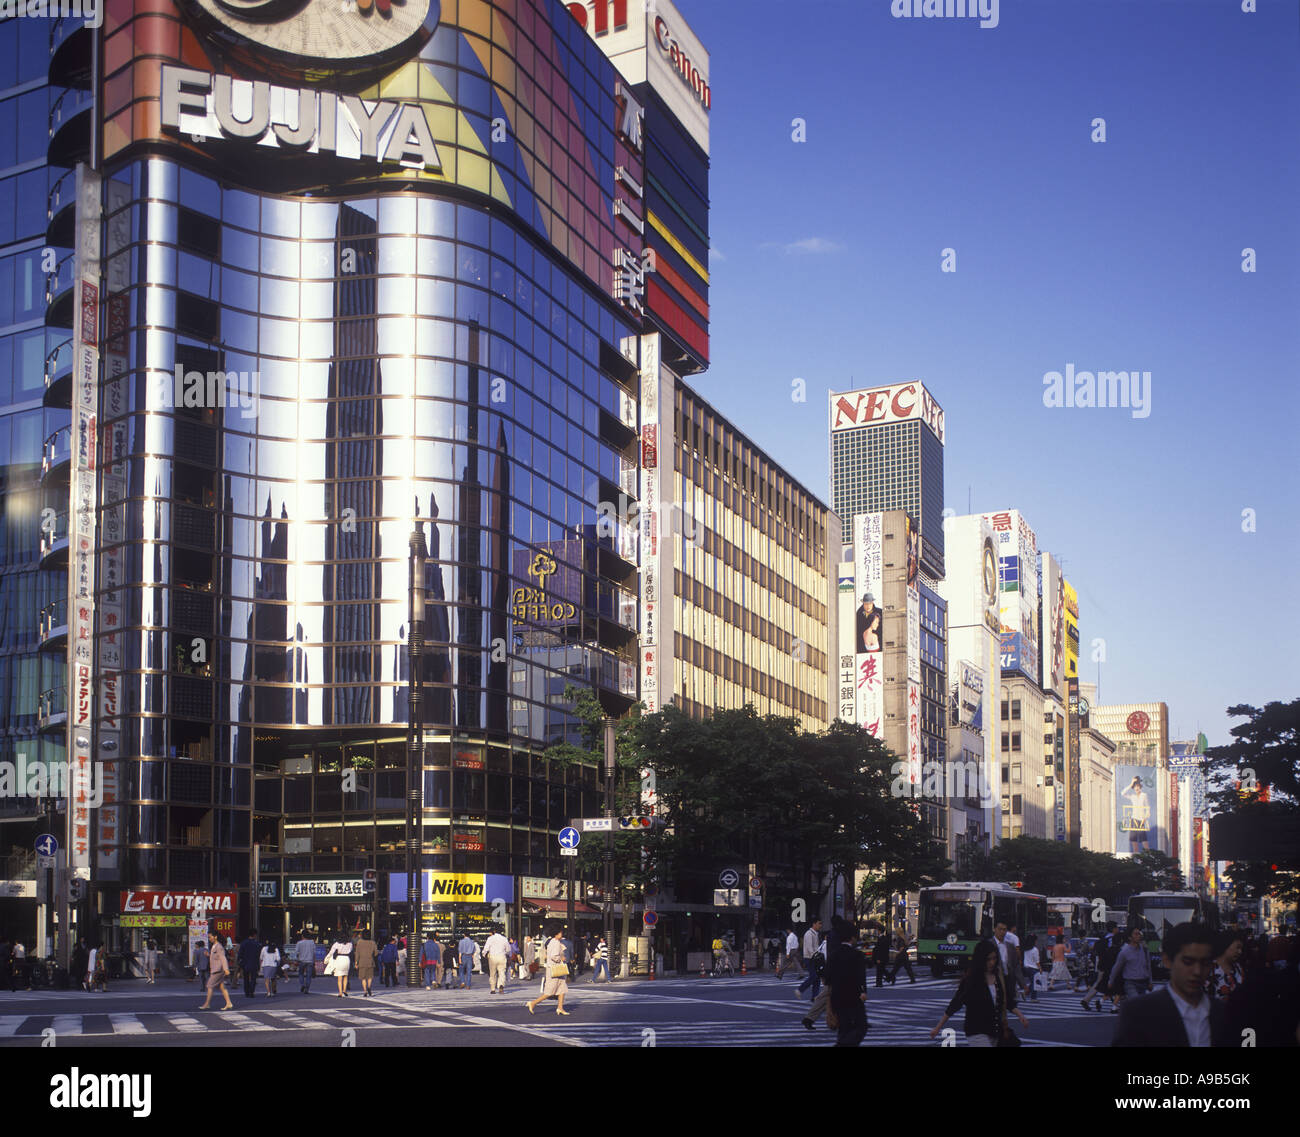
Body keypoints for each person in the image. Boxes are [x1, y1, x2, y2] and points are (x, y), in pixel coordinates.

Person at [1113, 923, 1228, 1047]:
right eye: (1188, 962)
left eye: (1205, 963)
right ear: (1167, 960)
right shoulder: (1138, 1013)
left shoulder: (1224, 1014)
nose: (1197, 971)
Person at [930, 939, 1029, 1047]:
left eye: (994, 958)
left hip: (995, 1030)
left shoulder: (998, 977)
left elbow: (1006, 1001)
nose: (992, 962)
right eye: (988, 959)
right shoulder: (972, 980)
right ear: (980, 959)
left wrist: (1020, 1015)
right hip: (976, 1030)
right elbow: (956, 1003)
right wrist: (938, 1027)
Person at [825, 925, 870, 1046]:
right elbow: (861, 977)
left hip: (837, 996)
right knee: (861, 1026)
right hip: (853, 997)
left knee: (844, 1027)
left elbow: (827, 978)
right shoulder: (857, 955)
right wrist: (863, 991)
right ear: (852, 938)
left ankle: (842, 1043)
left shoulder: (833, 954)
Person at [526, 924, 571, 1016]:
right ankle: (533, 1003)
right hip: (555, 969)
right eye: (560, 932)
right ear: (557, 933)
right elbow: (554, 956)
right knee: (550, 992)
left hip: (556, 969)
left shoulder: (552, 942)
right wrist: (561, 958)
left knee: (562, 989)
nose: (562, 933)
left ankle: (560, 1008)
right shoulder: (556, 943)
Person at [1109, 926, 1153, 1005]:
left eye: (1139, 934)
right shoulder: (1124, 952)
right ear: (1130, 937)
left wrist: (1150, 981)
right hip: (1131, 982)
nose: (1138, 936)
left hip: (1143, 982)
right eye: (1136, 934)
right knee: (1136, 1002)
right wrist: (1111, 981)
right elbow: (1116, 967)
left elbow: (1148, 966)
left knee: (1142, 1006)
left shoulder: (1145, 950)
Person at [199, 931, 233, 1011]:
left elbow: (222, 958)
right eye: (209, 937)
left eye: (210, 937)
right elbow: (216, 957)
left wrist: (226, 969)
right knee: (221, 987)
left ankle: (207, 1004)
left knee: (209, 985)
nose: (209, 939)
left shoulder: (219, 946)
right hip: (215, 969)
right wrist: (209, 955)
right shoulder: (214, 946)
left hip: (218, 970)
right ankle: (229, 1003)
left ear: (215, 937)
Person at [1209, 931, 1245, 1000]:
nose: (1240, 952)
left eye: (1241, 949)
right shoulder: (1209, 969)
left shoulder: (1238, 968)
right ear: (1226, 945)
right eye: (1237, 947)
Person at [797, 918, 824, 998]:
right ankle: (800, 990)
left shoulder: (815, 933)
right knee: (814, 976)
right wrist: (815, 955)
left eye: (821, 924)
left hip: (814, 958)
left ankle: (814, 996)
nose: (820, 925)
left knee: (817, 978)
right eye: (819, 923)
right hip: (809, 958)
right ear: (814, 924)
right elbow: (809, 948)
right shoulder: (809, 934)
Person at [325, 933, 353, 998]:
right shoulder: (350, 944)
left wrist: (327, 959)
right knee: (345, 976)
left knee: (339, 978)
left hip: (339, 959)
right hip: (346, 959)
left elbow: (331, 952)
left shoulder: (337, 944)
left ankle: (340, 992)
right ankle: (345, 990)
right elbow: (350, 951)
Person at [485, 925, 511, 994]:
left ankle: (493, 989)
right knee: (502, 972)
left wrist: (484, 954)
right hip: (502, 956)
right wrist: (508, 955)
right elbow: (508, 949)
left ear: (494, 931)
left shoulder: (490, 938)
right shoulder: (504, 939)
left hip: (492, 957)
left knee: (492, 973)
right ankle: (501, 985)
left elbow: (486, 948)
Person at [237, 930, 261, 999]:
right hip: (254, 963)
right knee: (253, 978)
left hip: (245, 963)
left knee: (246, 978)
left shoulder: (244, 943)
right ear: (254, 935)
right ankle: (251, 992)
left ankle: (246, 992)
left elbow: (240, 954)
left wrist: (240, 961)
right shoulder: (257, 944)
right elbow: (258, 954)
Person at [355, 930, 379, 997]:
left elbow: (357, 953)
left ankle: (365, 991)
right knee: (369, 976)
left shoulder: (359, 942)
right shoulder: (372, 942)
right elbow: (376, 953)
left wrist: (356, 962)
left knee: (363, 978)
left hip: (361, 962)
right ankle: (369, 987)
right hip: (370, 961)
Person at [295, 930, 316, 994]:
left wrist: (297, 960)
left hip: (302, 961)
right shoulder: (312, 942)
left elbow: (297, 953)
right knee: (308, 976)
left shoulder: (299, 943)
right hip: (310, 961)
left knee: (301, 973)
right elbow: (314, 953)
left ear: (302, 935)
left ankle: (302, 985)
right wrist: (314, 961)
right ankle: (307, 989)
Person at [1022, 935, 1040, 1001]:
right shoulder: (1035, 949)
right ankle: (1033, 997)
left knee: (1033, 982)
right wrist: (1040, 968)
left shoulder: (1026, 949)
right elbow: (1037, 961)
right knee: (1036, 983)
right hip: (1033, 968)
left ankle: (1026, 993)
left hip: (1026, 967)